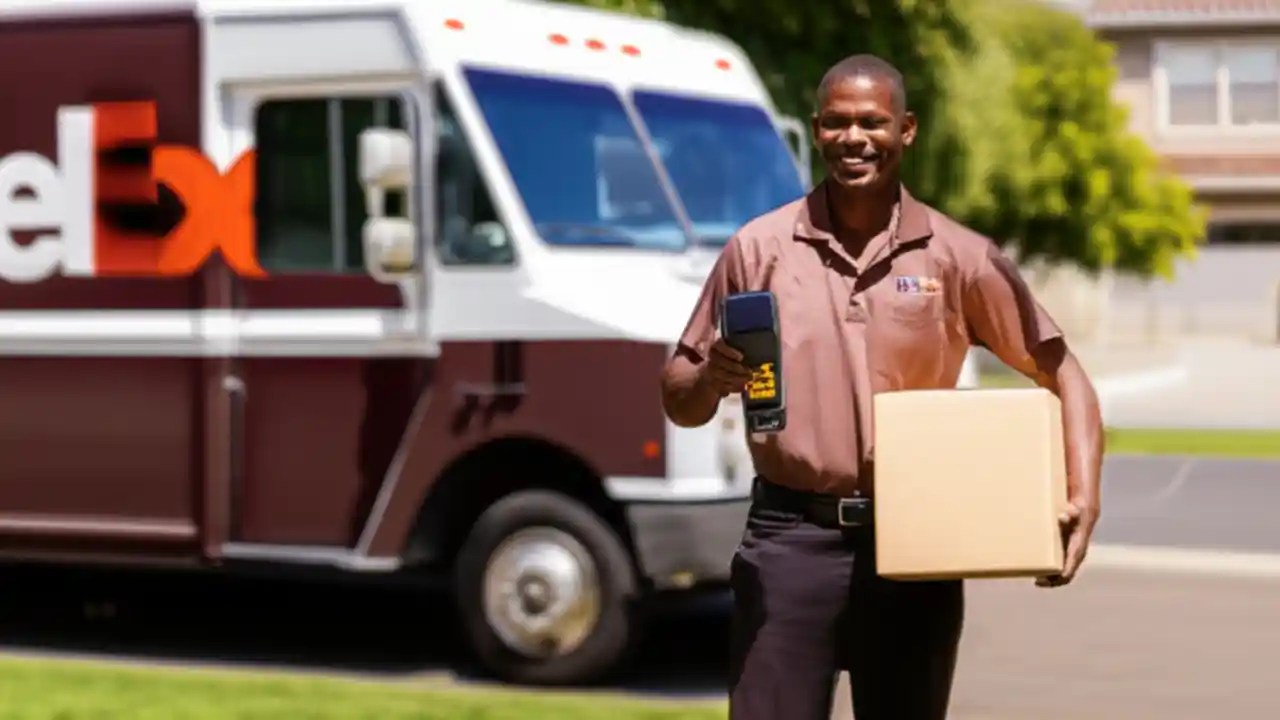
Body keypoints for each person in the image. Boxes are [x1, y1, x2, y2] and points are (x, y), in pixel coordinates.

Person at [659, 54, 1104, 720]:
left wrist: (1082, 495)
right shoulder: (758, 249)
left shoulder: (959, 257)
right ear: (815, 131)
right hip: (787, 540)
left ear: (907, 129)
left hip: (918, 539)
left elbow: (1062, 371)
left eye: (872, 122)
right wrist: (708, 379)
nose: (854, 138)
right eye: (837, 123)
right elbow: (680, 397)